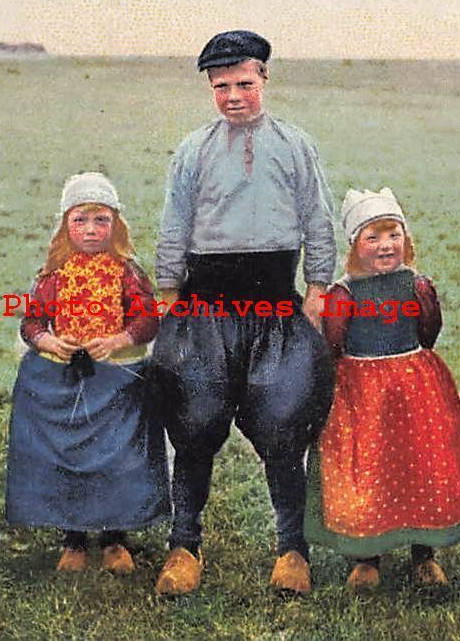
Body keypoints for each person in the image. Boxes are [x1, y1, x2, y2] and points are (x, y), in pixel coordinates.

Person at [152, 30, 336, 596]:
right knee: (195, 421)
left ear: (264, 79)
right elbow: (174, 224)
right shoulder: (193, 150)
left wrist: (318, 287)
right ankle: (184, 545)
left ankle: (292, 550)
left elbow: (318, 219)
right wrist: (167, 292)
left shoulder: (295, 145)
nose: (234, 96)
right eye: (222, 86)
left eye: (244, 83)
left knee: (283, 423)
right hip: (205, 305)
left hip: (275, 306)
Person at [305, 188, 460, 592]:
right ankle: (367, 557)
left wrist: (408, 363)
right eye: (373, 237)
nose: (386, 245)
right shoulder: (344, 293)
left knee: (421, 465)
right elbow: (333, 342)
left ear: (407, 240)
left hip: (413, 388)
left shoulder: (416, 286)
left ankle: (425, 554)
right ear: (355, 246)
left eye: (394, 235)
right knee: (369, 471)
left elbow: (428, 330)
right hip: (363, 393)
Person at [5, 172, 168, 575]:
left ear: (116, 225)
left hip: (115, 380)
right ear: (65, 225)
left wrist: (119, 339)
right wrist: (48, 340)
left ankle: (115, 537)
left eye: (101, 220)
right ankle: (74, 537)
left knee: (116, 455)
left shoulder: (127, 271)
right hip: (65, 378)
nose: (91, 230)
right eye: (80, 220)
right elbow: (32, 322)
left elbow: (148, 319)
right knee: (68, 455)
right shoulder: (53, 274)